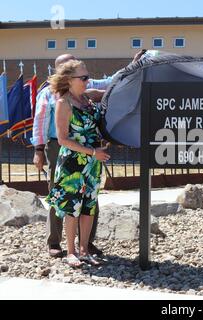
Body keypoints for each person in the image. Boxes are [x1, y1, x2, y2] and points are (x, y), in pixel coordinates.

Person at [33, 51, 145, 258]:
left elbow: (112, 83)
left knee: (89, 201)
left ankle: (86, 245)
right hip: (60, 147)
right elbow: (40, 124)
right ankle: (56, 243)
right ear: (62, 72)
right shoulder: (50, 96)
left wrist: (133, 65)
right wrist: (38, 150)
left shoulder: (87, 93)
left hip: (92, 155)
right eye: (81, 74)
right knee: (62, 198)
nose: (87, 79)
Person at [46, 60, 110, 267]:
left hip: (93, 163)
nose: (87, 80)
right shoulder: (63, 104)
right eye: (83, 78)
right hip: (73, 163)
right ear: (68, 80)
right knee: (72, 208)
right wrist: (92, 151)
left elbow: (113, 86)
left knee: (88, 206)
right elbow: (63, 139)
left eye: (87, 76)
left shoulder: (89, 97)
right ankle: (71, 252)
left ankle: (84, 250)